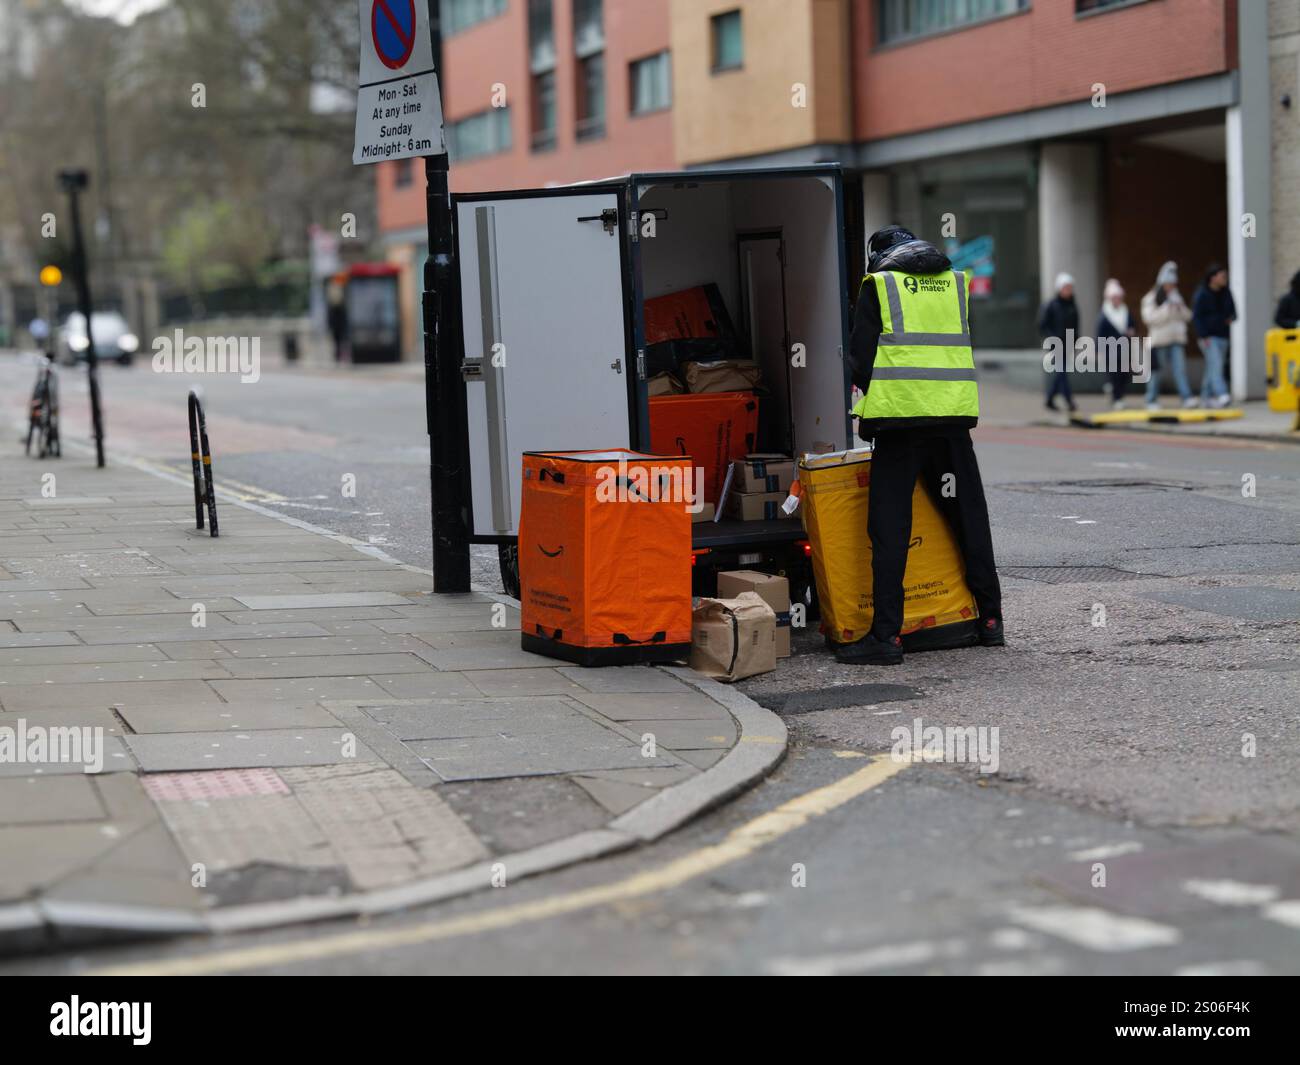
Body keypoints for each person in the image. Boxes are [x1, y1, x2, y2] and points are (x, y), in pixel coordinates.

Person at [842, 224, 1004, 666]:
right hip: (952, 421)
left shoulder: (880, 284)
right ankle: (990, 621)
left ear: (879, 255)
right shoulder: (955, 283)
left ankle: (886, 638)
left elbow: (861, 361)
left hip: (900, 423)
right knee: (969, 515)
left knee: (890, 529)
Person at [1141, 261, 1195, 410]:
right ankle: (1151, 400)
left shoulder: (1177, 297)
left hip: (1177, 339)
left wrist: (1179, 309)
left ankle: (1187, 398)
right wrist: (1166, 309)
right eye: (1168, 284)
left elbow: (1188, 316)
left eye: (1173, 284)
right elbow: (1149, 319)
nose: (1171, 287)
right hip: (1158, 341)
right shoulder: (1150, 298)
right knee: (1156, 372)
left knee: (1180, 370)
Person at [1191, 263, 1235, 409]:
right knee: (1216, 365)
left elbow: (1233, 312)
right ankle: (1222, 394)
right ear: (1213, 278)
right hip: (1208, 337)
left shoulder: (1226, 292)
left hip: (1223, 335)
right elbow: (1196, 317)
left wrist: (1230, 317)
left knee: (1213, 367)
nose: (1225, 279)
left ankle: (1205, 398)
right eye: (1222, 276)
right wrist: (1203, 335)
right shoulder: (1202, 294)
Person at [1038, 273, 1078, 412]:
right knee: (1062, 372)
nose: (1068, 290)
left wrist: (1075, 340)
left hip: (1067, 344)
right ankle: (1069, 400)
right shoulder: (1051, 305)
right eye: (1066, 287)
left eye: (1070, 287)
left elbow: (1076, 325)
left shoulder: (1072, 305)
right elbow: (1042, 325)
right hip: (1055, 345)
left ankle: (1049, 399)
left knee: (1060, 373)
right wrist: (1052, 339)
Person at [1097, 279, 1136, 410]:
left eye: (1118, 297)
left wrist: (1131, 331)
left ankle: (1116, 392)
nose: (1117, 300)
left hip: (1124, 348)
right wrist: (1099, 349)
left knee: (1125, 374)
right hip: (1110, 349)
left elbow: (1132, 325)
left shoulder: (1125, 311)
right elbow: (1100, 333)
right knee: (1115, 374)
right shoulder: (1105, 314)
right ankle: (1116, 398)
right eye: (1114, 297)